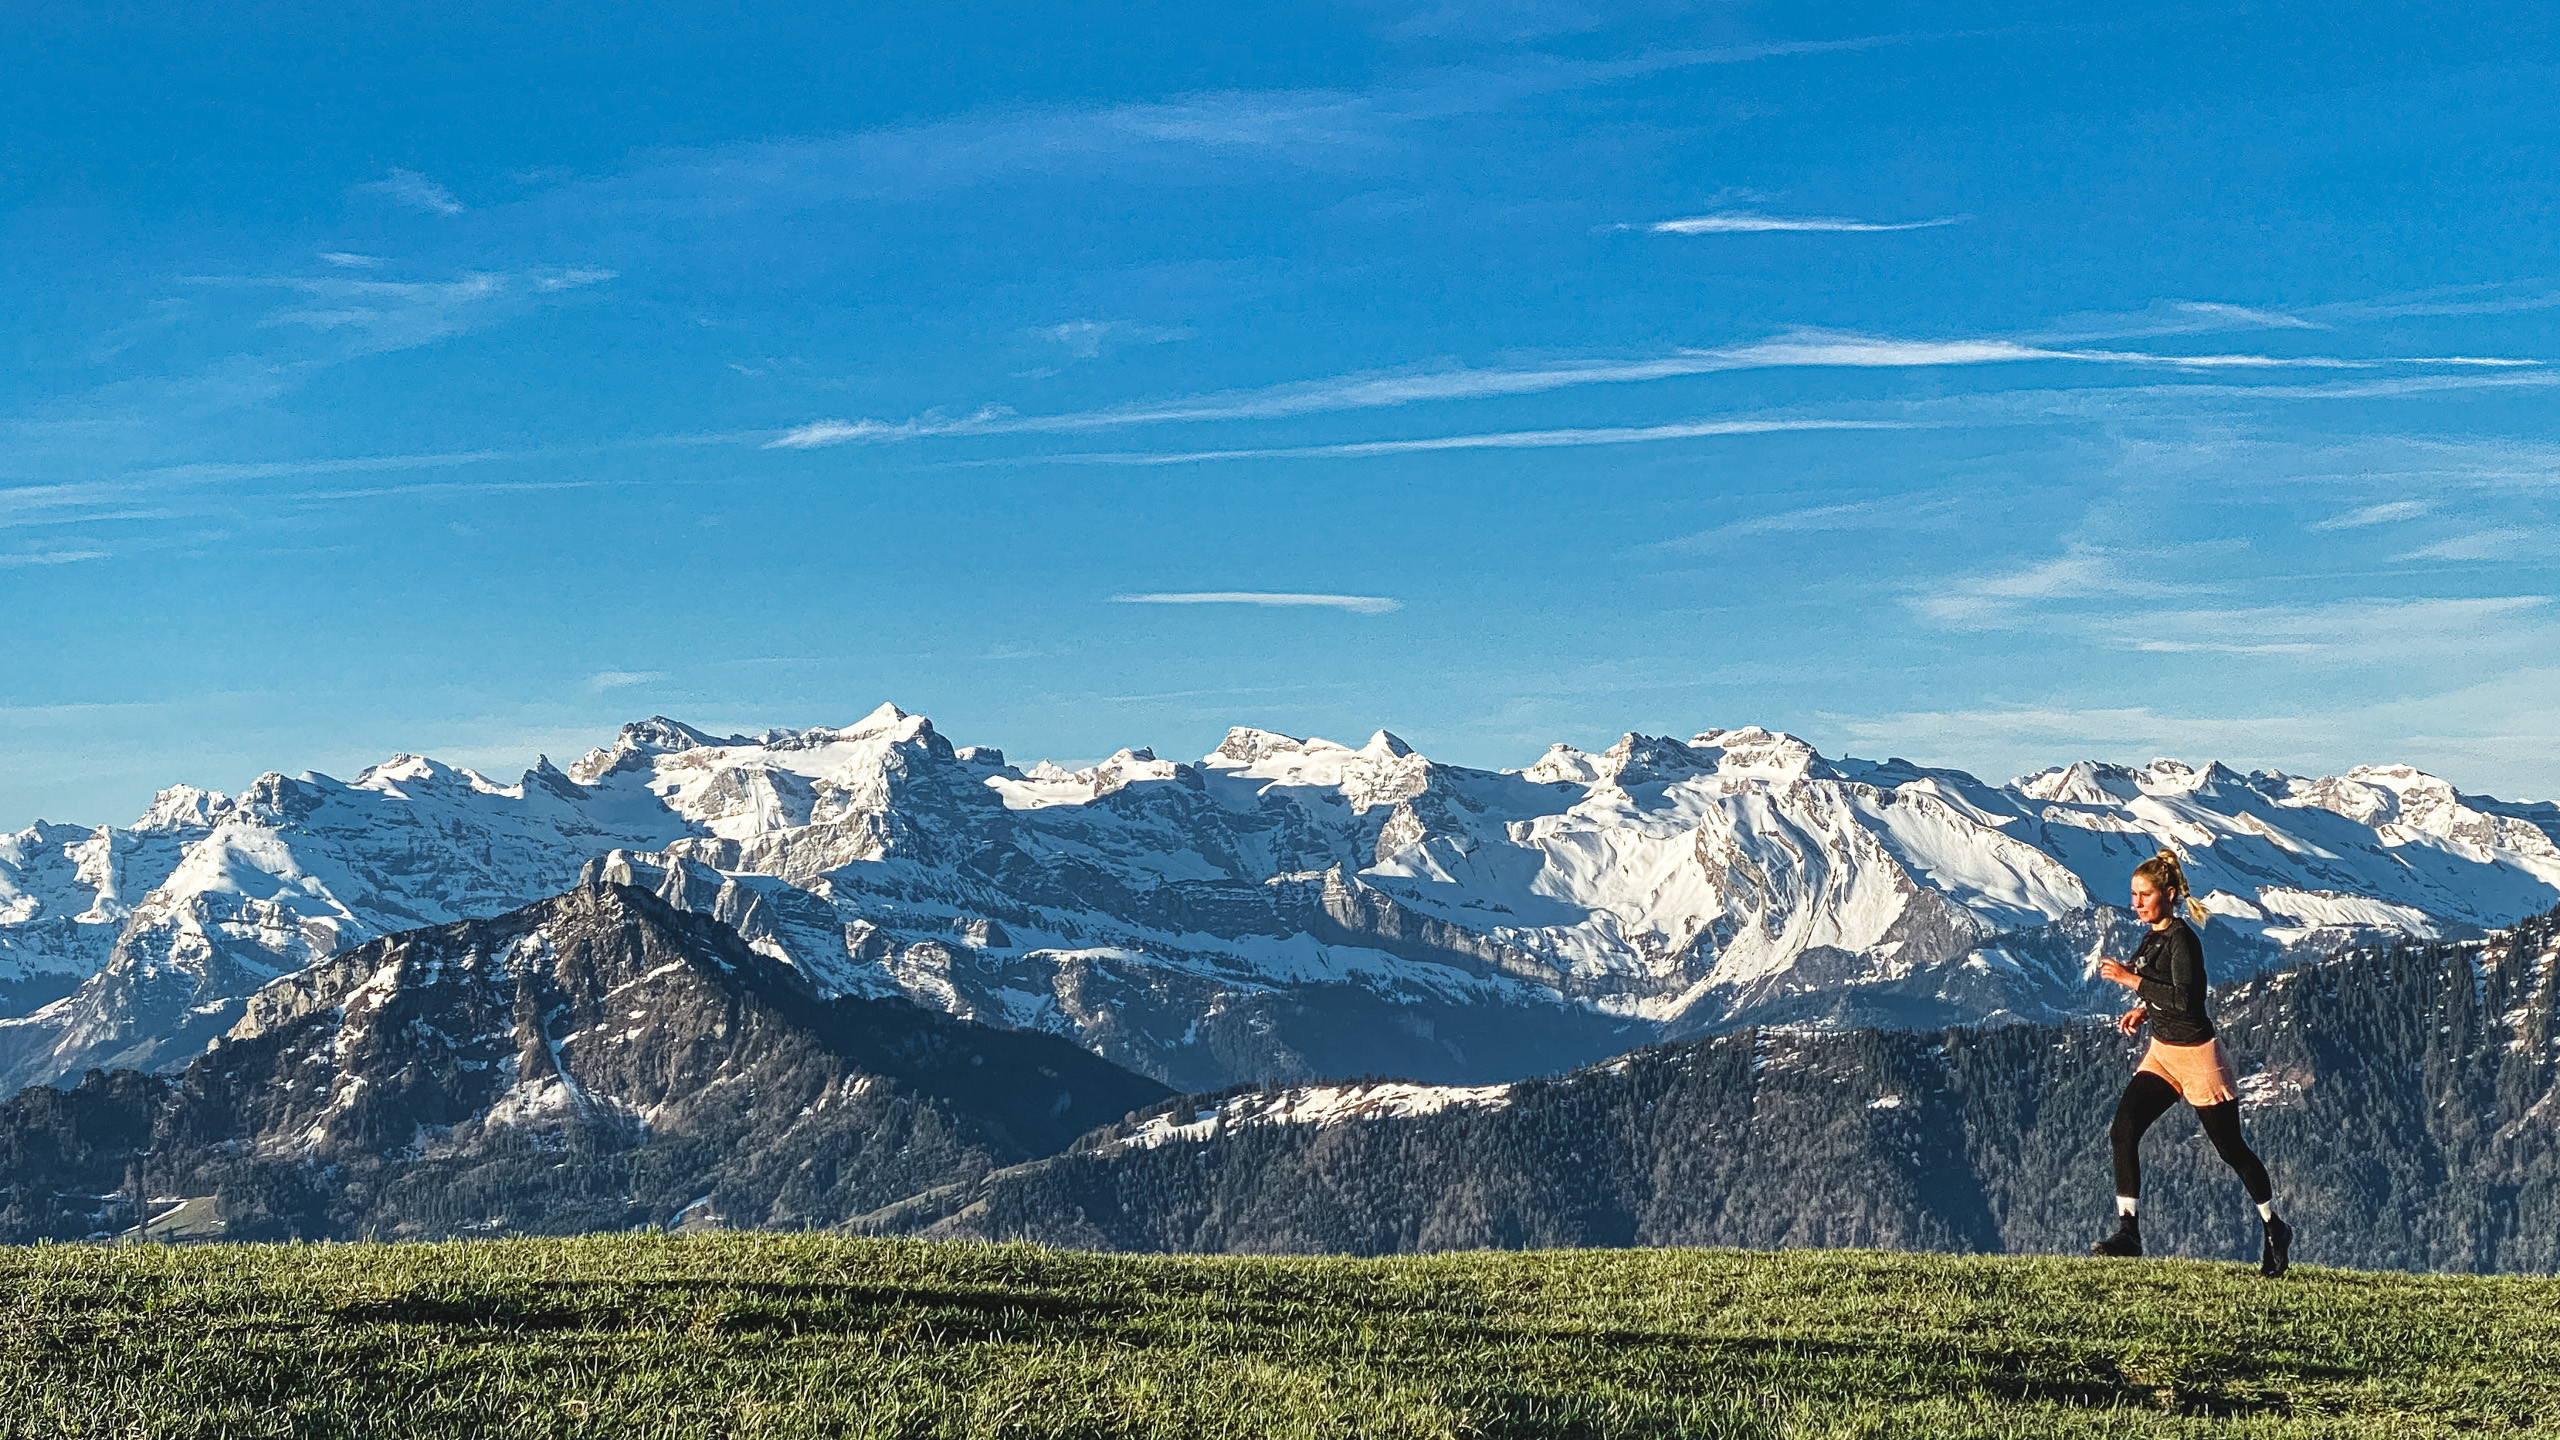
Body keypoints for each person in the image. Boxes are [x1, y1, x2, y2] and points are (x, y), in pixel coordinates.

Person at [2088, 848, 2292, 1277]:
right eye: (2133, 895)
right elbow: (2162, 988)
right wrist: (2143, 1007)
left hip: (2199, 1058)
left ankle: (2274, 1228)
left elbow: (2187, 999)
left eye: (2144, 895)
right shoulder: (2152, 936)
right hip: (2163, 1053)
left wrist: (2131, 981)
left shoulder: (2183, 940)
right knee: (2123, 1130)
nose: (2135, 904)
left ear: (2168, 894)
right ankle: (2129, 1232)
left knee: (2231, 1149)